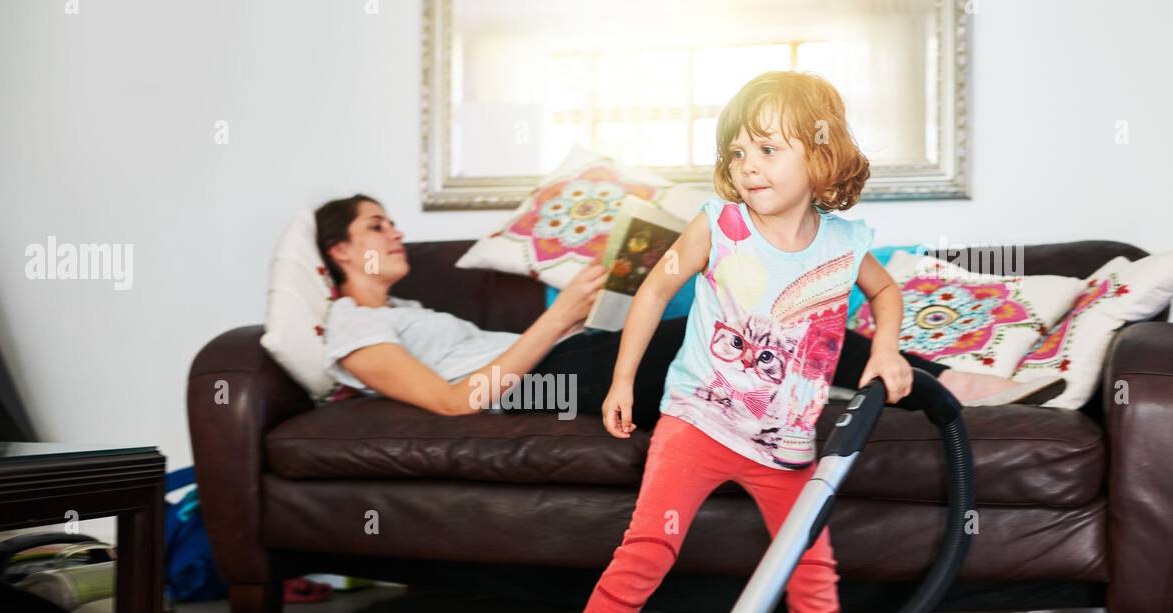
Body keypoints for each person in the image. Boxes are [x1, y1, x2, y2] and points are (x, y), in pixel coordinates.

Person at [539, 71, 935, 613]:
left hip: (785, 441)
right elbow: (650, 292)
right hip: (697, 420)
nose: (748, 165)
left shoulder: (843, 243)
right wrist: (622, 381)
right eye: (738, 152)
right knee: (647, 552)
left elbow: (888, 293)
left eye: (768, 149)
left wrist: (886, 353)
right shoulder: (718, 226)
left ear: (821, 153)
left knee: (808, 564)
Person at [316, 202, 1062, 419]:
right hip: (550, 384)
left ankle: (943, 382)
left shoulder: (411, 307)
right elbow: (453, 401)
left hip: (566, 357)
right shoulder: (352, 324)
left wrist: (582, 313)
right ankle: (954, 385)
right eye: (376, 226)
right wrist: (557, 323)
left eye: (392, 219)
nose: (396, 231)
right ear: (341, 255)